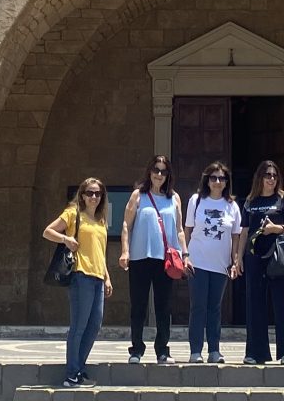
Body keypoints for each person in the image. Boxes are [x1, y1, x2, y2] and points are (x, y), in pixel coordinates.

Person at [44, 177, 114, 388]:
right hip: (80, 275)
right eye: (89, 193)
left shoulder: (101, 220)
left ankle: (79, 368)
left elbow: (100, 252)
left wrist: (107, 276)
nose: (93, 197)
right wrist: (66, 239)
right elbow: (48, 231)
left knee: (94, 325)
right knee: (79, 326)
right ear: (82, 195)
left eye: (98, 193)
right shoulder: (73, 213)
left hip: (98, 278)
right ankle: (72, 374)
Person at [120, 154, 186, 362]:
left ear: (168, 175)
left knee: (164, 307)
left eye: (163, 171)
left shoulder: (174, 198)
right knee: (138, 305)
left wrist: (185, 254)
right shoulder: (138, 195)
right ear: (149, 172)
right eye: (156, 170)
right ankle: (137, 349)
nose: (159, 174)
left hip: (164, 259)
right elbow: (126, 226)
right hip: (140, 257)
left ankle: (162, 350)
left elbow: (180, 229)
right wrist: (125, 251)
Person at [239, 158, 284, 364]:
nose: (271, 179)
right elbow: (244, 231)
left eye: (274, 176)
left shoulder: (283, 199)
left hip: (278, 256)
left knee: (283, 304)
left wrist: (276, 229)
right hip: (255, 257)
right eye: (268, 175)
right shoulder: (250, 201)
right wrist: (238, 258)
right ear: (260, 177)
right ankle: (256, 353)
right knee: (255, 304)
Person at [185, 161, 243, 363]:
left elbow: (236, 236)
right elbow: (188, 230)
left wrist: (235, 261)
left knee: (215, 308)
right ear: (207, 180)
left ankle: (214, 350)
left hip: (220, 264)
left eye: (221, 178)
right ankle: (195, 351)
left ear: (227, 182)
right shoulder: (196, 200)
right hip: (197, 261)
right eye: (213, 178)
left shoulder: (232, 206)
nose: (217, 182)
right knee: (198, 306)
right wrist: (185, 255)